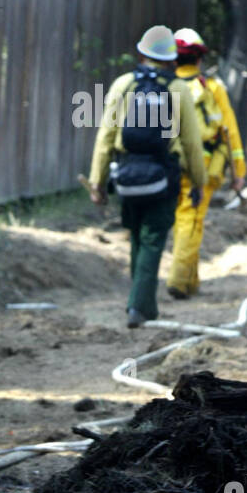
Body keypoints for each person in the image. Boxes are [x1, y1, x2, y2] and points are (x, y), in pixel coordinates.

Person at [88, 26, 205, 328]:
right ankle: (139, 307)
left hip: (126, 176)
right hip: (163, 177)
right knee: (153, 240)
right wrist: (198, 181)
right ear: (170, 59)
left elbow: (105, 138)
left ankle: (144, 305)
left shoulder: (123, 85)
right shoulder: (178, 89)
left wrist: (97, 182)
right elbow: (192, 143)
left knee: (138, 237)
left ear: (141, 53)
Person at [167, 27, 247, 299]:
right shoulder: (211, 89)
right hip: (203, 165)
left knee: (184, 217)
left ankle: (191, 281)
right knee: (191, 218)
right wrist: (239, 171)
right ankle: (179, 280)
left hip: (167, 164)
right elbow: (230, 131)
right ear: (199, 59)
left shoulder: (164, 86)